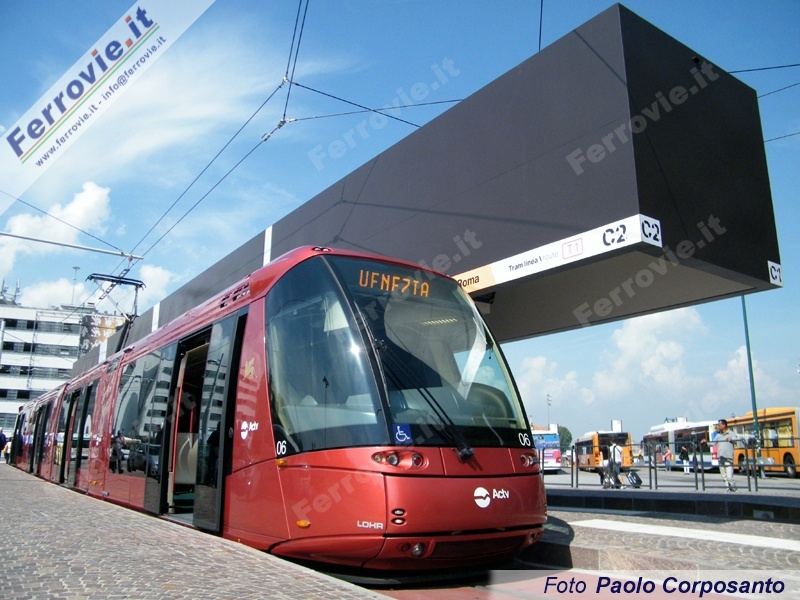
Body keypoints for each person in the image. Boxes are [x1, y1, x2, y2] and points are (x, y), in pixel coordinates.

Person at [702, 419, 740, 492]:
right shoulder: (718, 435)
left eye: (719, 425)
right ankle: (728, 489)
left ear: (724, 425)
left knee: (729, 477)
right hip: (721, 458)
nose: (717, 427)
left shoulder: (731, 433)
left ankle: (734, 489)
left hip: (728, 458)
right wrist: (706, 443)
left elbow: (736, 440)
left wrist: (731, 439)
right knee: (724, 477)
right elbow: (712, 443)